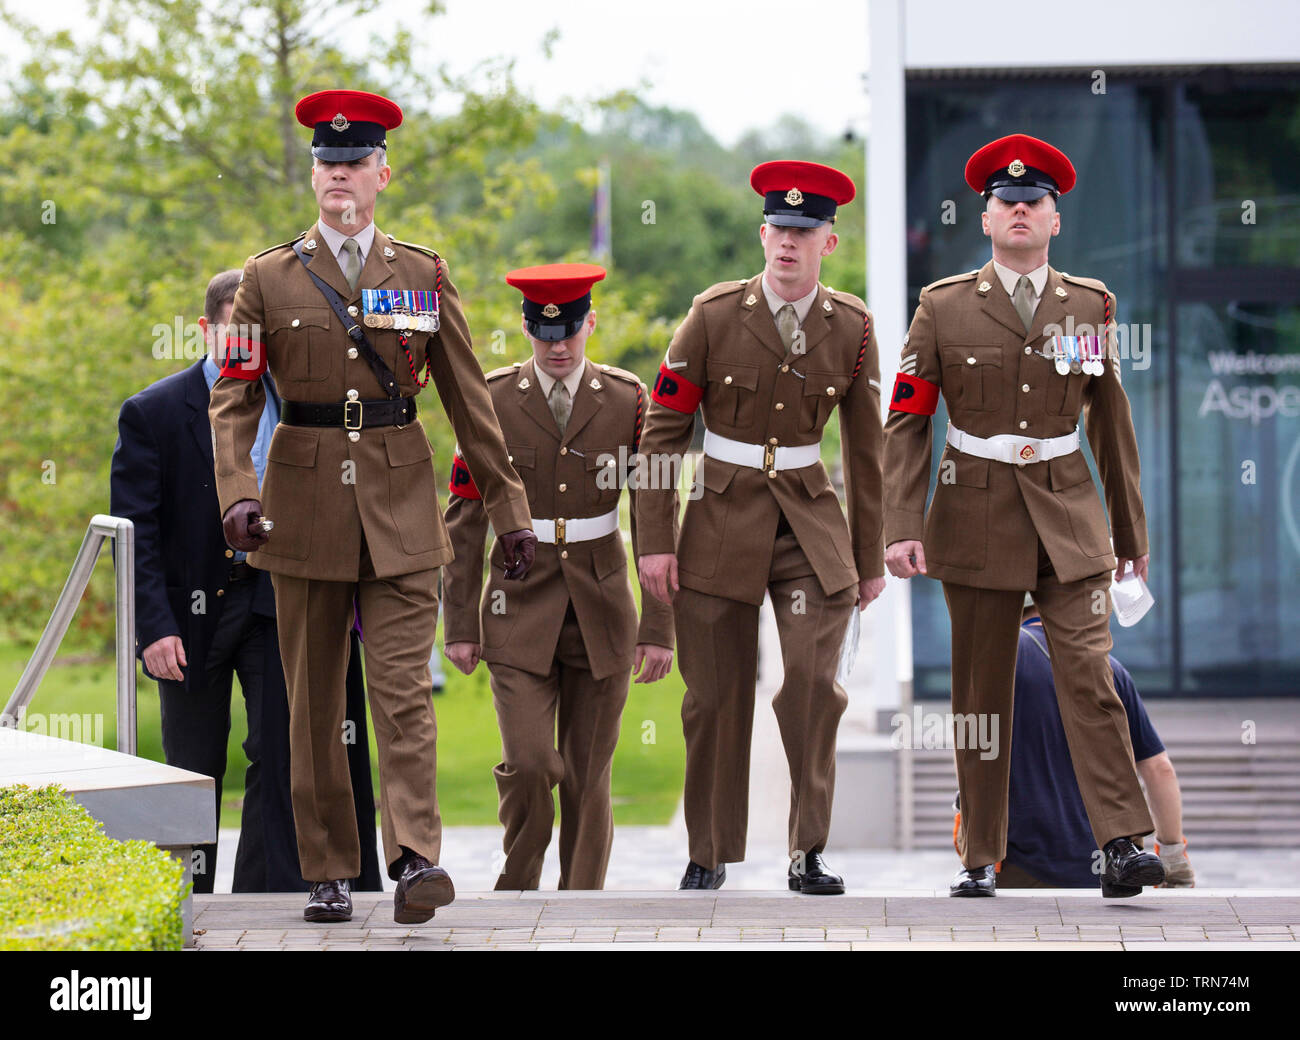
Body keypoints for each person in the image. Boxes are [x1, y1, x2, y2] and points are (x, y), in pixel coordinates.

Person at [209, 89, 536, 924]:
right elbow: (235, 397)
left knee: (400, 692)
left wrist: (511, 513)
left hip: (399, 504)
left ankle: (416, 857)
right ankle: (327, 867)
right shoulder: (265, 277)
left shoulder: (423, 274)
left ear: (381, 175)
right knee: (314, 701)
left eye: (353, 164)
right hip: (304, 504)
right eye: (326, 163)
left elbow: (470, 403)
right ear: (313, 174)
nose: (338, 176)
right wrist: (237, 496)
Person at [883, 133, 1164, 897]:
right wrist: (900, 523)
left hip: (1070, 517)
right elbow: (907, 420)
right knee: (981, 693)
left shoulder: (1090, 304)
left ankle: (1119, 845)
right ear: (985, 220)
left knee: (1088, 675)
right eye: (1004, 204)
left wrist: (1132, 535)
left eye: (1032, 204)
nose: (1018, 213)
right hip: (973, 513)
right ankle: (982, 852)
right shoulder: (939, 308)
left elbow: (1112, 424)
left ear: (1054, 220)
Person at [636, 161, 886, 894]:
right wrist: (653, 539)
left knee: (812, 683)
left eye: (803, 232)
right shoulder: (712, 315)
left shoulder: (853, 326)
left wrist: (869, 557)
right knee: (713, 698)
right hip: (720, 520)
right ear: (762, 232)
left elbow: (867, 452)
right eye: (778, 228)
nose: (787, 243)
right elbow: (662, 432)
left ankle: (807, 850)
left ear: (827, 243)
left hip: (809, 524)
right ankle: (708, 852)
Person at [110, 270, 381, 894]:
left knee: (283, 753)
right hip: (188, 617)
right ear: (208, 331)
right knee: (193, 765)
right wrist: (152, 628)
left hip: (275, 601)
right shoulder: (151, 413)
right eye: (238, 328)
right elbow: (135, 537)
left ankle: (267, 901)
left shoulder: (298, 403)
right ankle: (188, 903)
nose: (250, 344)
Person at [442, 264, 675, 890]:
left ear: (589, 324)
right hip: (516, 604)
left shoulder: (627, 399)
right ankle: (517, 885)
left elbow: (655, 508)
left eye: (570, 331)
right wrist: (460, 624)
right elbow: (464, 521)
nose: (558, 345)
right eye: (545, 335)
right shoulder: (489, 400)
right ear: (525, 329)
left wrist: (659, 626)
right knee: (528, 762)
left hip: (602, 606)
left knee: (587, 774)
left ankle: (581, 905)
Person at [955, 596, 1195, 890]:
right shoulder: (1109, 668)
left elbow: (975, 748)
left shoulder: (998, 659)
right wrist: (1172, 858)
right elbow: (1159, 769)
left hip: (1024, 868)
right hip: (1109, 870)